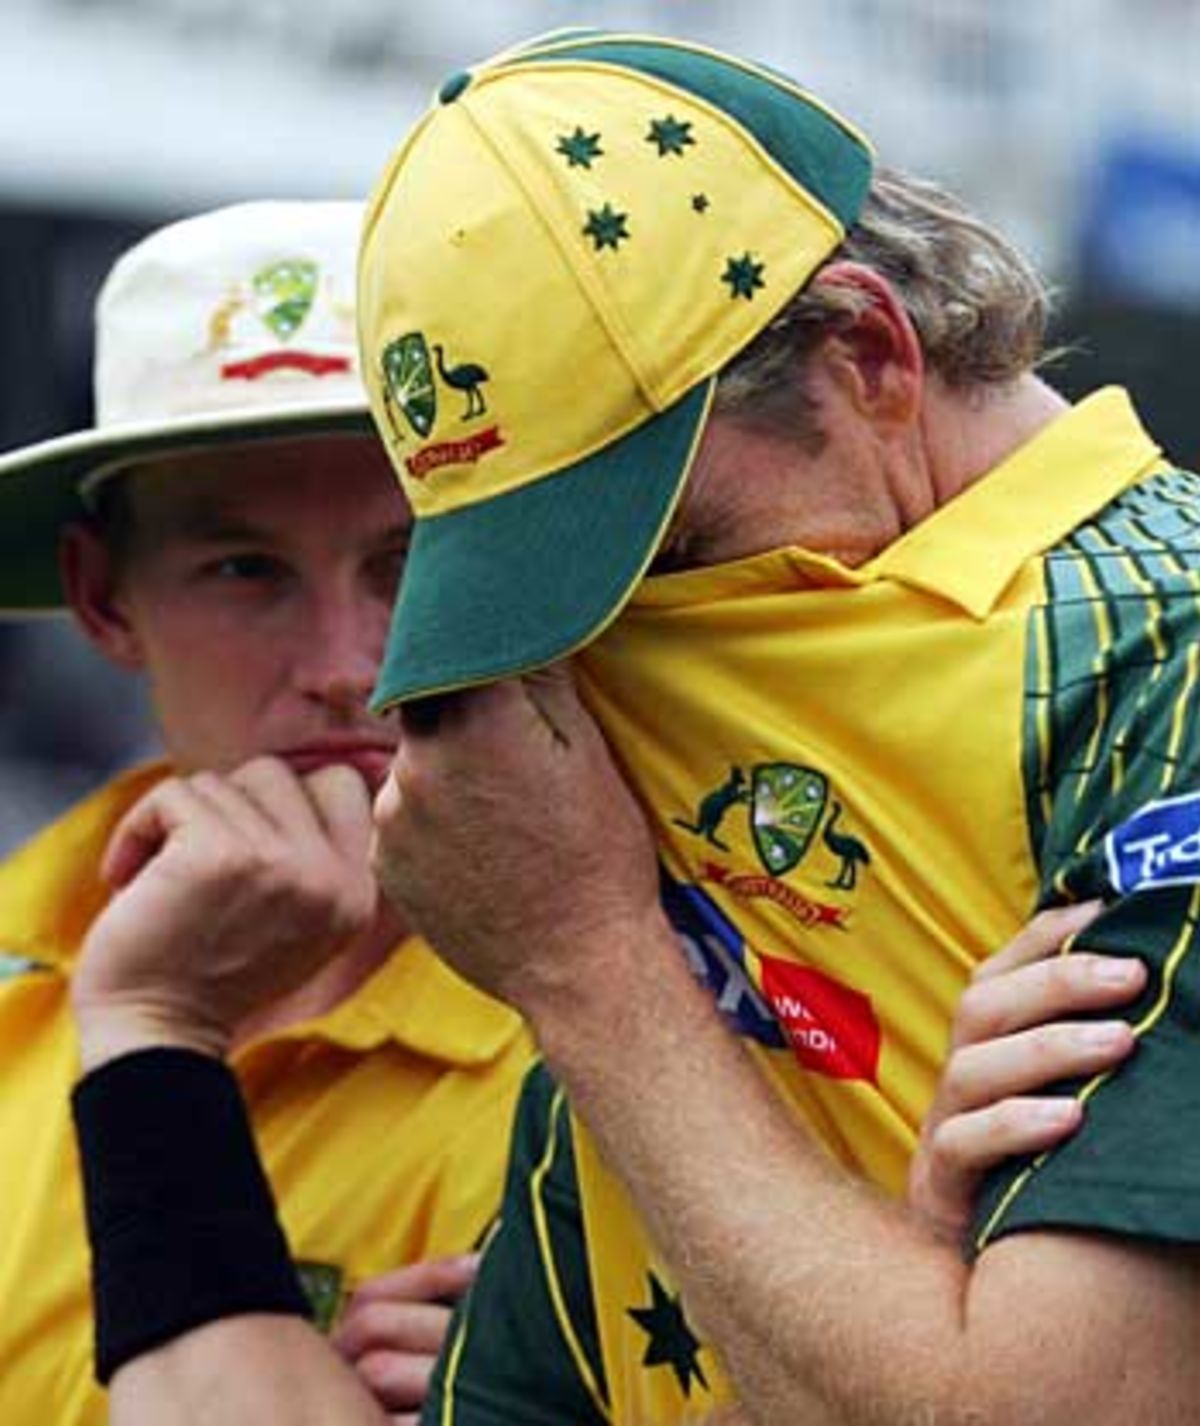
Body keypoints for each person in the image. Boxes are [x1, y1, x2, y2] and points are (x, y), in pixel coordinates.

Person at [63, 27, 1200, 1426]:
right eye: (527, 586)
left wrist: (590, 964)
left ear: (867, 354)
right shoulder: (645, 784)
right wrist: (898, 1270)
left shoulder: (1162, 659)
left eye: (652, 551)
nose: (582, 663)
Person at [0, 200, 532, 1425]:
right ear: (100, 594)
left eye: (407, 565)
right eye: (246, 570)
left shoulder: (664, 1009)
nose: (348, 662)